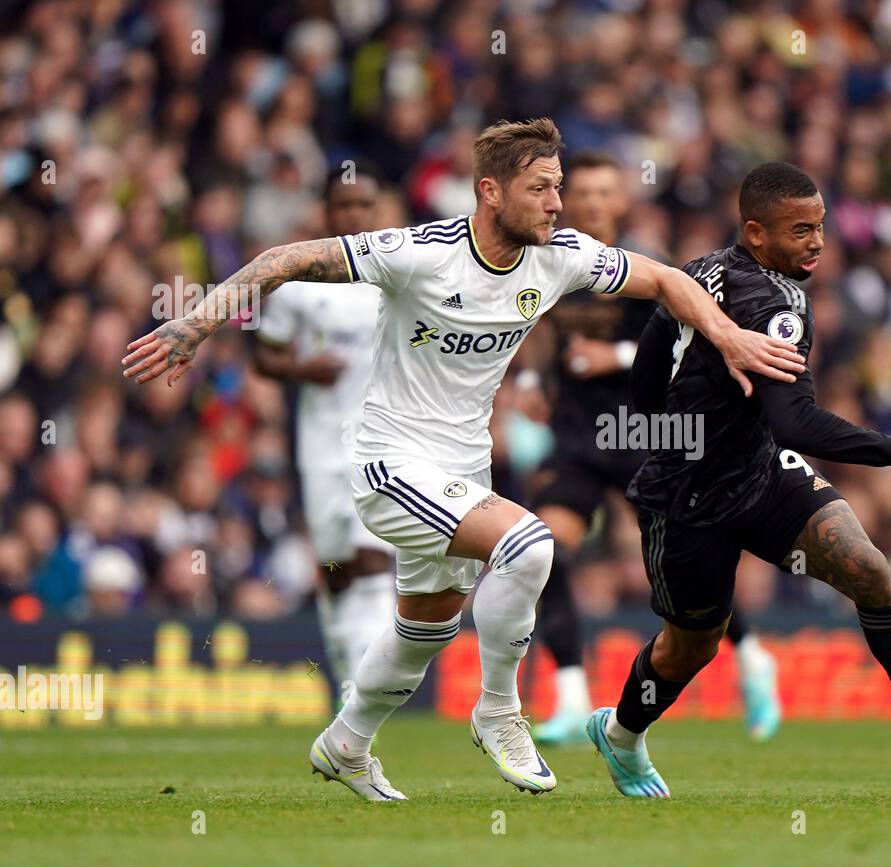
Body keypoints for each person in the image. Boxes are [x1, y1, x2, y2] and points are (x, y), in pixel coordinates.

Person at [121, 118, 804, 802]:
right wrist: (195, 323)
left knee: (424, 630)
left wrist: (725, 334)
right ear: (490, 192)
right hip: (389, 464)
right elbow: (286, 260)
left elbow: (662, 280)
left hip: (460, 471)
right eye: (540, 188)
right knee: (532, 545)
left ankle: (346, 743)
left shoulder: (560, 255)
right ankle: (500, 710)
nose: (558, 203)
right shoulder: (421, 252)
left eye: (559, 187)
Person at [588, 162, 891, 798]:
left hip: (760, 472)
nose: (818, 242)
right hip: (687, 501)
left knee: (869, 571)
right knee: (690, 648)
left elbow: (646, 375)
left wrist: (676, 427)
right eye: (801, 230)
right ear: (756, 232)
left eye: (821, 227)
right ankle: (620, 735)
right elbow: (798, 422)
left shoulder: (696, 273)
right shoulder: (776, 304)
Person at [518, 152, 781, 746]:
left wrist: (612, 357)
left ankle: (751, 657)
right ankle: (570, 692)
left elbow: (690, 347)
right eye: (579, 192)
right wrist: (532, 382)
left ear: (621, 203)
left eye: (602, 193)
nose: (588, 203)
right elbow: (534, 325)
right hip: (577, 437)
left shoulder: (644, 270)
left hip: (644, 433)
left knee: (688, 566)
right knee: (545, 546)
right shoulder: (550, 262)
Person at [252, 162, 395, 705]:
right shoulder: (299, 283)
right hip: (319, 445)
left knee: (373, 553)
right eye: (346, 206)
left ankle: (372, 684)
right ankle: (347, 669)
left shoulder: (394, 276)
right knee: (335, 563)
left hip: (382, 442)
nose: (356, 215)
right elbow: (265, 357)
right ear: (327, 212)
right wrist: (304, 370)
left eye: (365, 206)